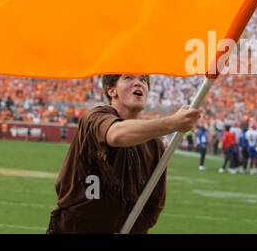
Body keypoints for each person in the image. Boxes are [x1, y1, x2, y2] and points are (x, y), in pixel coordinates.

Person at [47, 73, 199, 234]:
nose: (138, 84)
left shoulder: (154, 145)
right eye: (128, 78)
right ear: (112, 90)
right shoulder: (95, 117)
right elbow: (116, 135)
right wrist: (172, 123)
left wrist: (134, 229)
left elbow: (154, 203)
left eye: (143, 80)